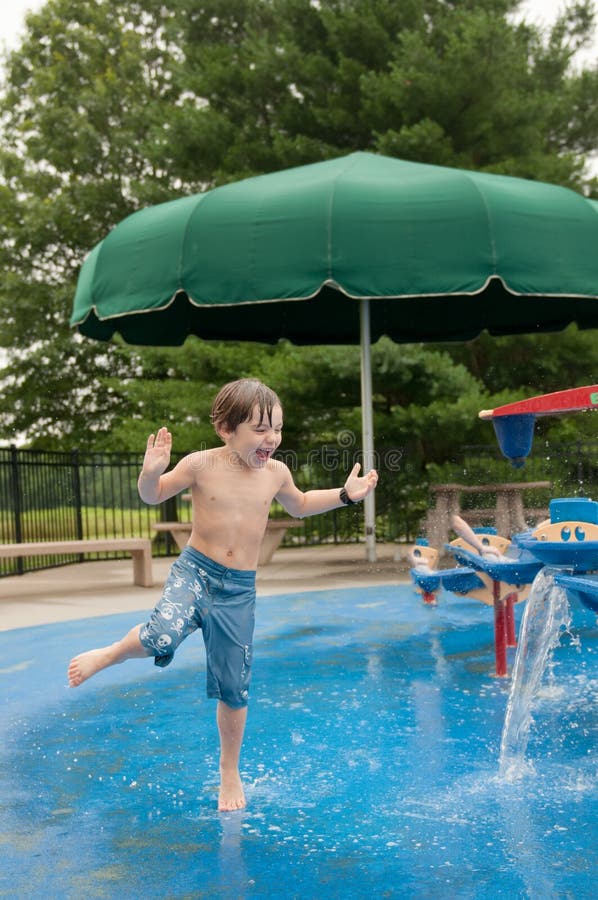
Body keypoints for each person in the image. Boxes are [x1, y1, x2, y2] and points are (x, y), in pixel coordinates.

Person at [67, 378, 378, 812]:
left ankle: (229, 770)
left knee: (235, 686)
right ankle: (112, 653)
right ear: (226, 430)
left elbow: (301, 503)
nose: (272, 439)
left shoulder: (276, 473)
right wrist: (150, 472)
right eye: (260, 429)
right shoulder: (200, 465)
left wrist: (347, 495)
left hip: (238, 591)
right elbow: (152, 495)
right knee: (161, 637)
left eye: (278, 429)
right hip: (195, 571)